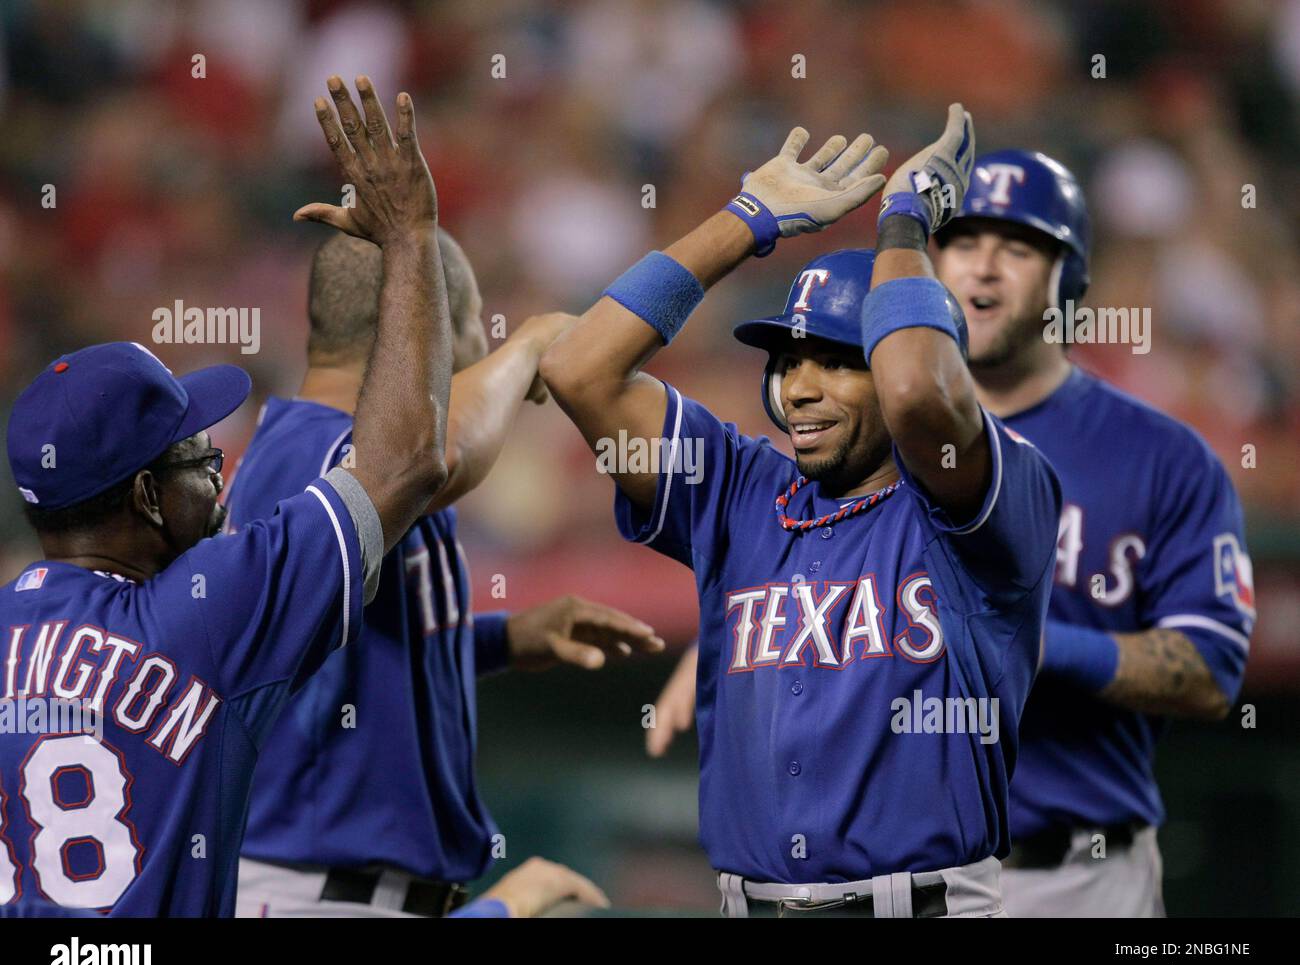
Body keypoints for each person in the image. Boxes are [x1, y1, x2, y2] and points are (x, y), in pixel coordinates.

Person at [541, 106, 1062, 917]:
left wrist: (903, 222)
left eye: (838, 361)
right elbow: (579, 368)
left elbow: (921, 389)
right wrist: (744, 222)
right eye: (789, 361)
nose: (801, 387)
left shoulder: (992, 499)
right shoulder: (739, 491)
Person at [0, 76, 447, 916]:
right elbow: (408, 462)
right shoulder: (203, 609)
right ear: (143, 493)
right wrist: (412, 237)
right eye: (196, 458)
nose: (217, 478)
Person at [227, 227, 663, 918]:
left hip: (360, 889)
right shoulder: (311, 451)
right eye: (472, 325)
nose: (478, 350)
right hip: (309, 889)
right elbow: (435, 454)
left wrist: (500, 637)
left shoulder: (328, 456)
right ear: (423, 330)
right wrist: (528, 343)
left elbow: (357, 641)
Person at [930, 149, 1252, 916]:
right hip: (892, 877)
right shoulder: (871, 442)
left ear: (1068, 278)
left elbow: (1211, 668)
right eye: (965, 242)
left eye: (1017, 247)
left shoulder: (1162, 457)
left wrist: (1038, 646)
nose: (983, 270)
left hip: (1074, 879)